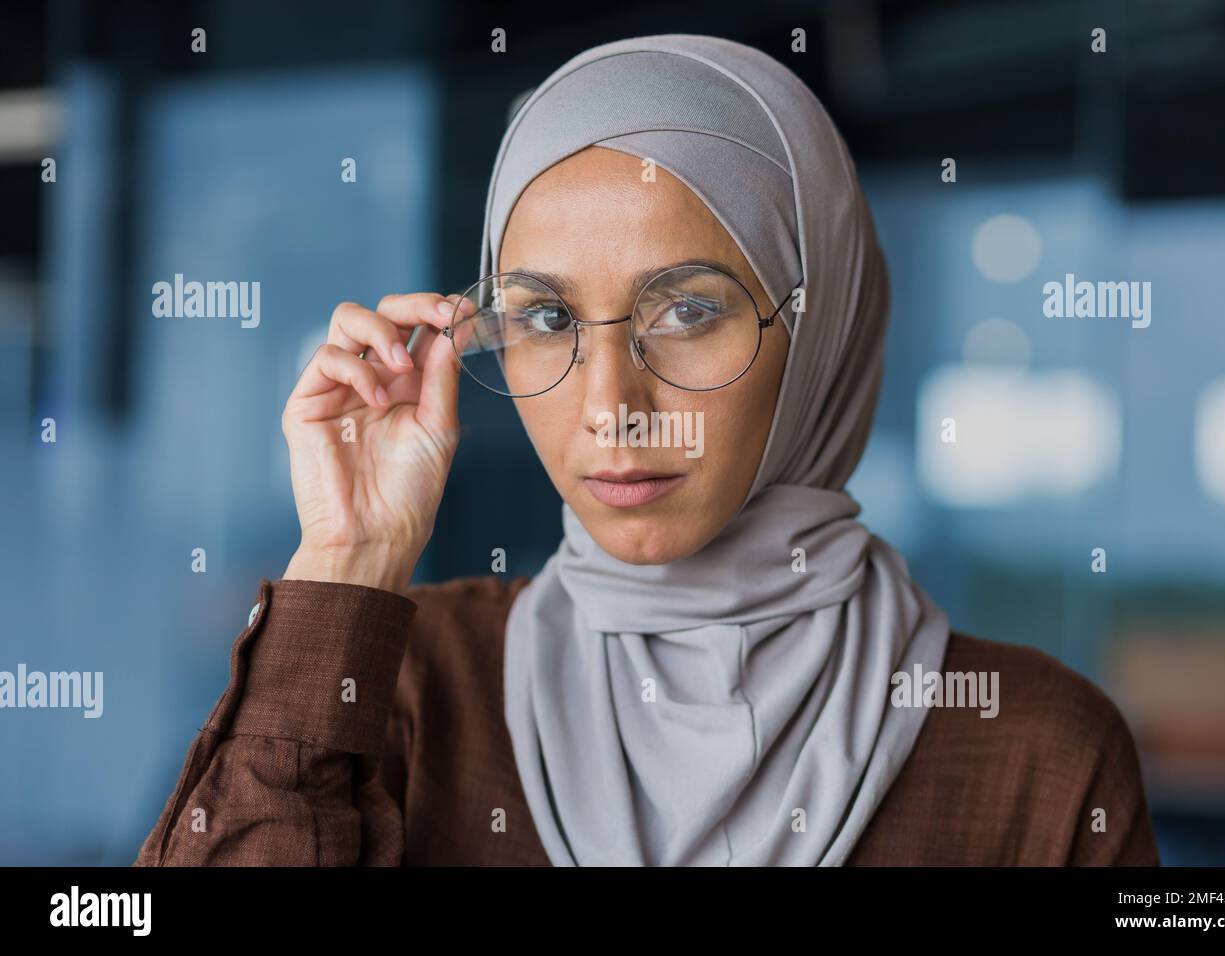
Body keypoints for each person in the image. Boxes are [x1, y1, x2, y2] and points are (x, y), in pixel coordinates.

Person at [135, 34, 1159, 866]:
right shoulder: (405, 682)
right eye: (544, 317)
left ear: (820, 328)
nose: (609, 405)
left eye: (688, 310)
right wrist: (348, 561)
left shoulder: (1034, 755)